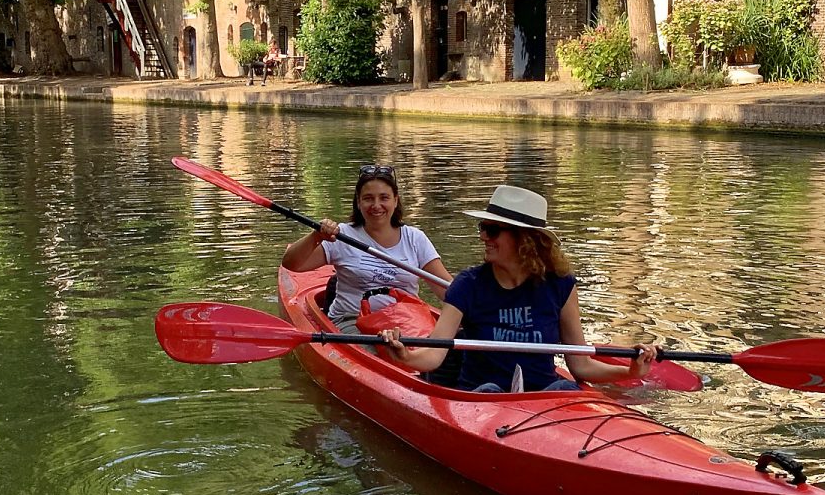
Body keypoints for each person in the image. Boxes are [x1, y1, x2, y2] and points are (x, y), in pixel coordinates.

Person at [384, 184, 657, 392]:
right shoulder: (468, 284)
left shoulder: (560, 286)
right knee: (490, 390)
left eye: (492, 230)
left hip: (543, 398)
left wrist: (631, 372)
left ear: (524, 240)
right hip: (482, 399)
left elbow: (581, 365)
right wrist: (406, 356)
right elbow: (435, 353)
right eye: (482, 227)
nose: (483, 237)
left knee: (565, 388)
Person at [281, 164, 451, 335]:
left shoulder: (415, 238)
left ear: (395, 200)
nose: (376, 205)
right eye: (368, 198)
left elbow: (447, 290)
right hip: (352, 321)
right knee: (391, 351)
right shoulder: (342, 235)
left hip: (405, 321)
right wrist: (315, 236)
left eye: (384, 198)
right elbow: (292, 264)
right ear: (358, 202)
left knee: (432, 350)